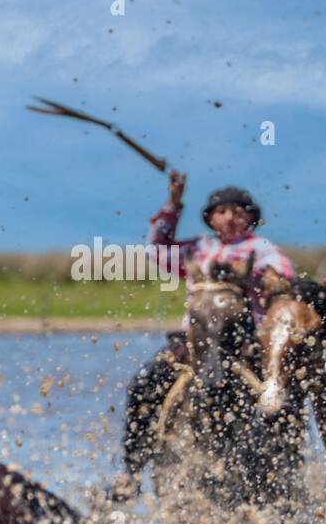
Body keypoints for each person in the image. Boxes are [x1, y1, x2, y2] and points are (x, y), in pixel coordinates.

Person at [107, 170, 295, 501]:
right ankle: (131, 472)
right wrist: (174, 203)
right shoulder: (197, 249)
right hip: (191, 343)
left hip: (244, 343)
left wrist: (265, 282)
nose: (231, 218)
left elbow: (284, 283)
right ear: (210, 218)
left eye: (239, 212)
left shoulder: (263, 250)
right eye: (223, 212)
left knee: (281, 402)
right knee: (143, 384)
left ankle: (286, 475)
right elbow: (157, 250)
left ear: (251, 217)